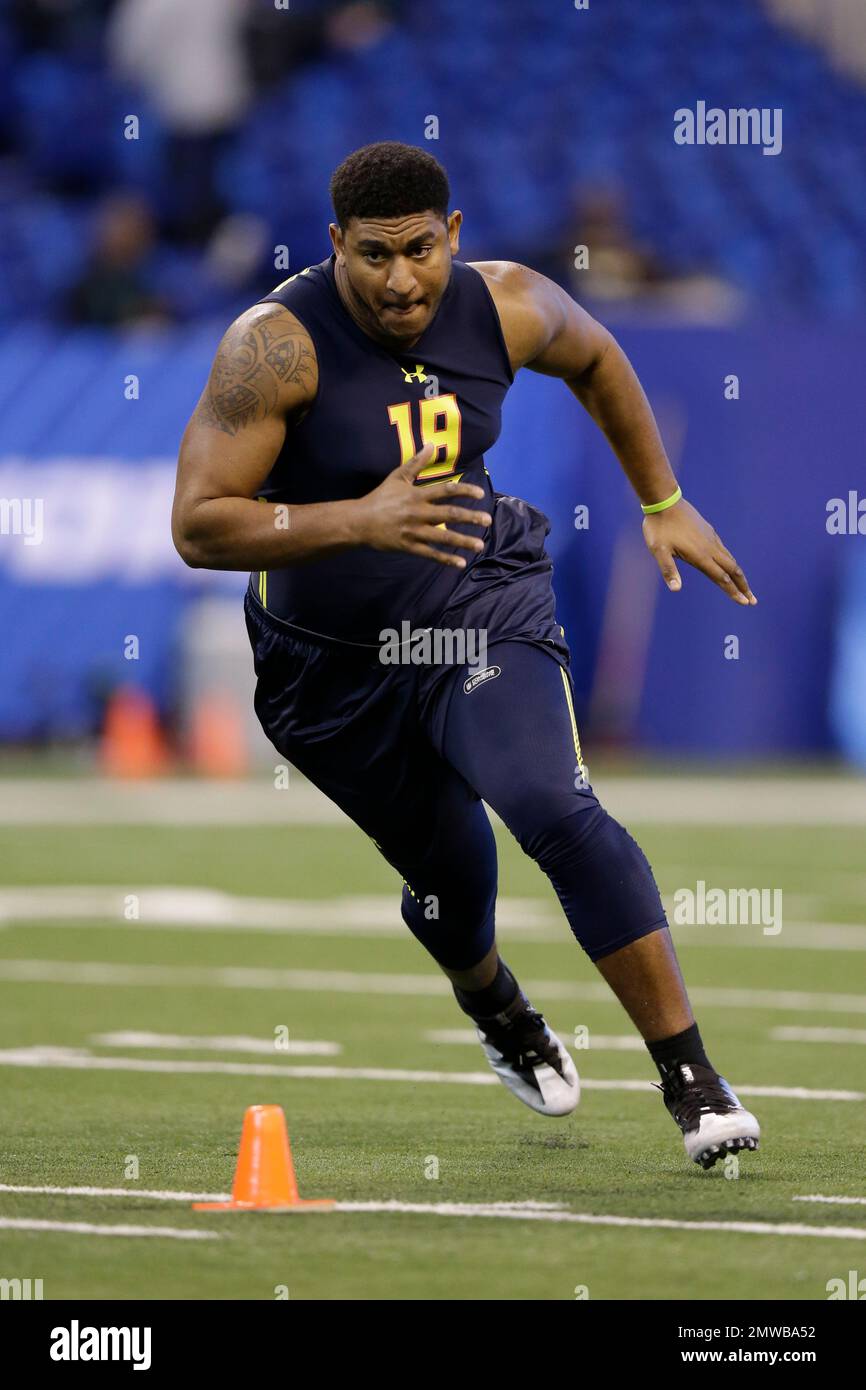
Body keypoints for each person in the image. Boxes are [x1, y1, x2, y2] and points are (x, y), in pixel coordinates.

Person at [172, 142, 760, 1169]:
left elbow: (596, 357)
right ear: (334, 246)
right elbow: (197, 524)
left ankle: (691, 1078)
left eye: (419, 251)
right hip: (331, 661)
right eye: (373, 255)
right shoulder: (275, 347)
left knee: (550, 805)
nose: (400, 279)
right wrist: (355, 520)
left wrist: (661, 500)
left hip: (476, 603)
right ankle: (496, 1005)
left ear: (453, 235)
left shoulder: (509, 302)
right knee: (450, 874)